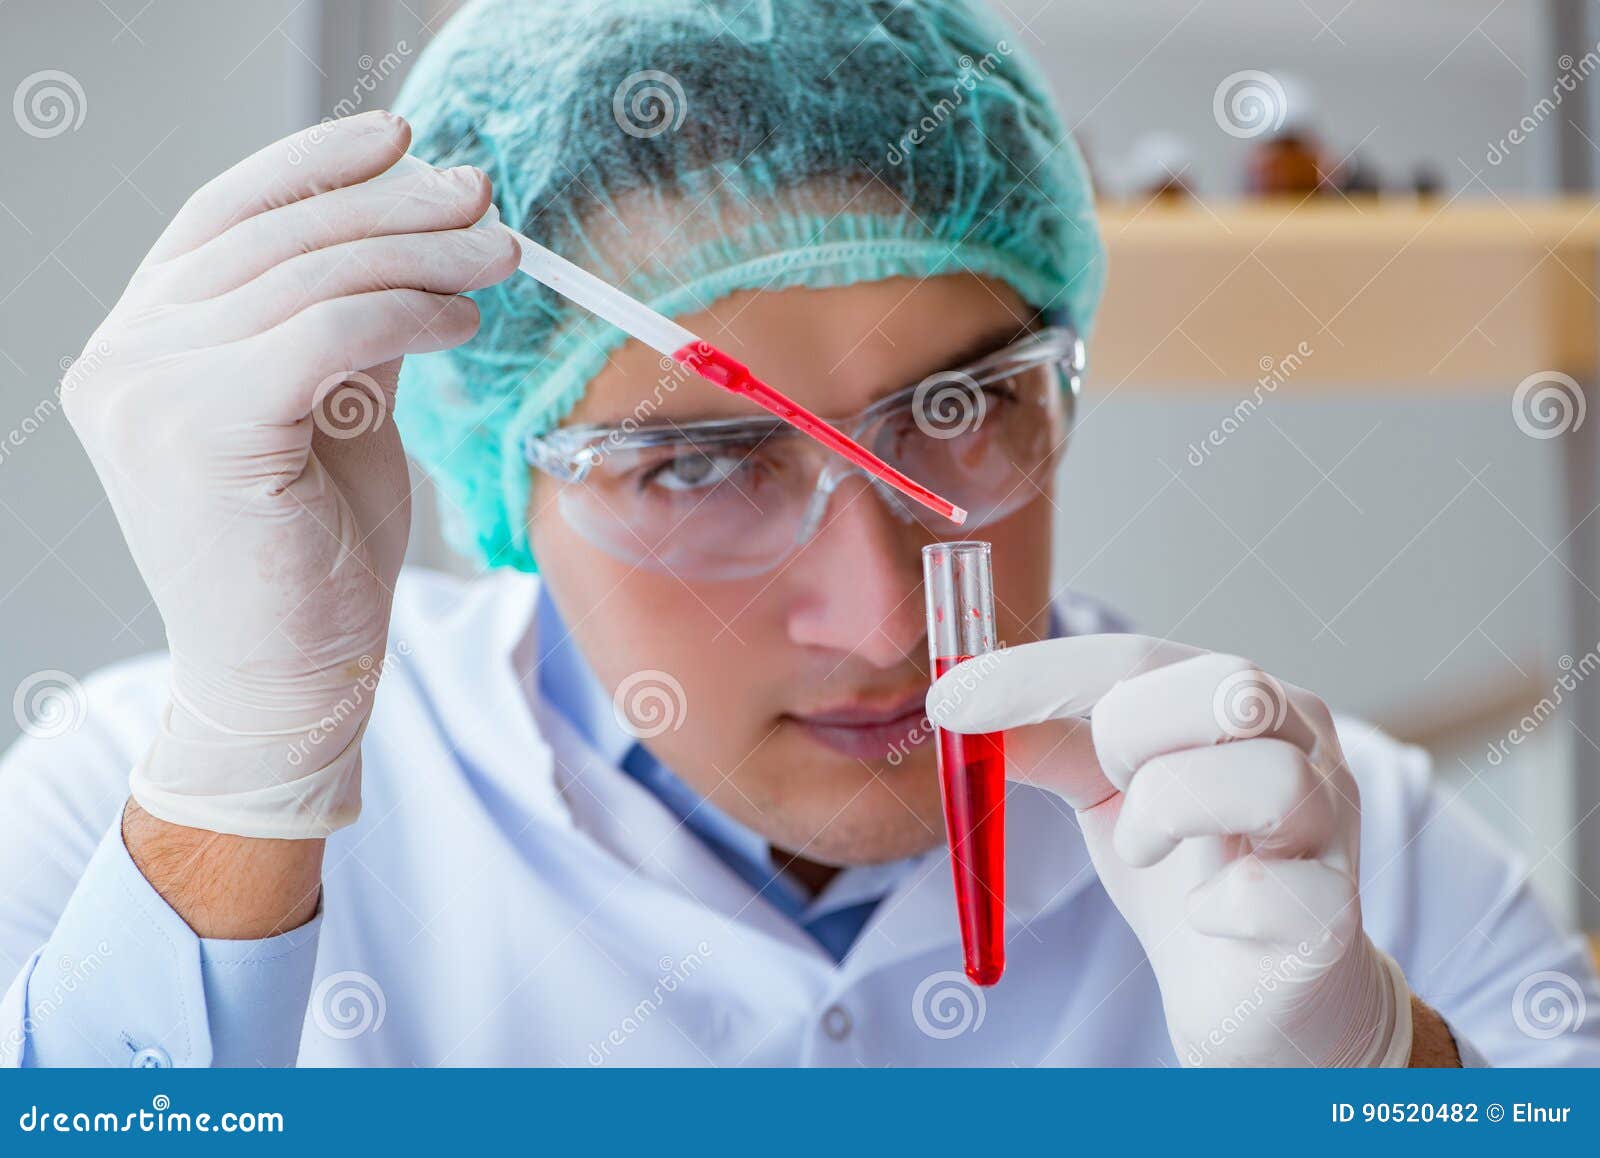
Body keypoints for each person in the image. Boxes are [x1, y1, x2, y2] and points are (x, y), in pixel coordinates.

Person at [3, 0, 1597, 1068]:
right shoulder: (150, 793)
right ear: (504, 477)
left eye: (961, 408)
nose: (883, 617)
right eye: (696, 466)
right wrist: (247, 790)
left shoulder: (1332, 845)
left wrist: (1380, 1073)